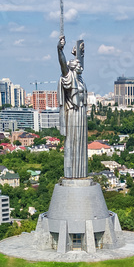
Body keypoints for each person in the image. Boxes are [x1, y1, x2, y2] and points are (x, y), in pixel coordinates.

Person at [58, 35, 88, 178]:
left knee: (81, 142)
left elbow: (81, 61)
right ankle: (73, 174)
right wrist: (60, 49)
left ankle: (81, 172)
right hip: (73, 114)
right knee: (73, 141)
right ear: (73, 68)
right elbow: (63, 64)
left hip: (81, 112)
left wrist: (79, 53)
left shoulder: (80, 79)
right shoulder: (68, 77)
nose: (81, 66)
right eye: (78, 65)